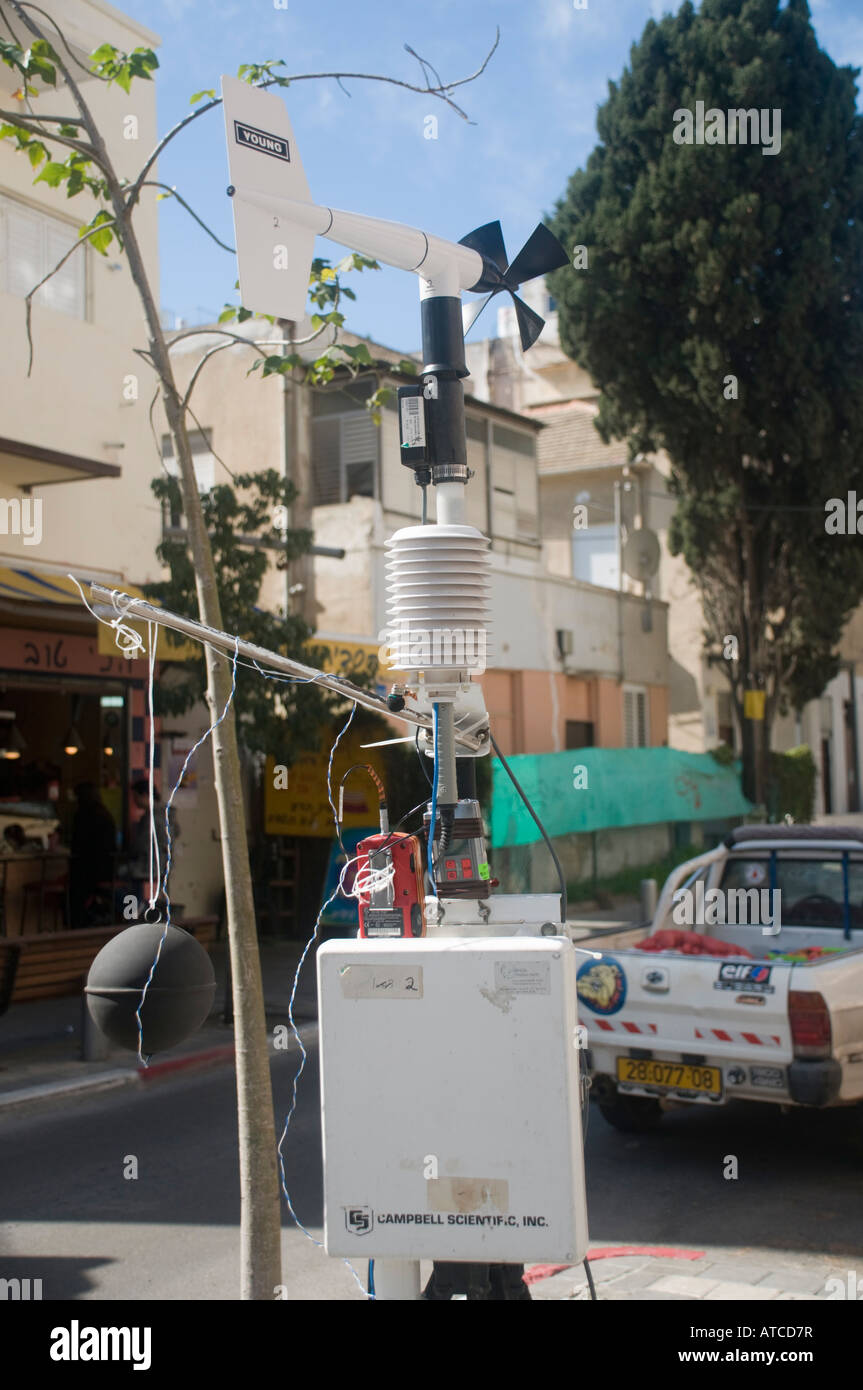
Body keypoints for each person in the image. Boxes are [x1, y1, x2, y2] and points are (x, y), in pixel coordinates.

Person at [125, 779, 178, 911]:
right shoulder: (167, 813)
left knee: (123, 877)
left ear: (144, 795)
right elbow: (177, 832)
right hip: (164, 863)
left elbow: (141, 844)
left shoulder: (152, 816)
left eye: (136, 797)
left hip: (149, 865)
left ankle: (135, 911)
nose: (134, 801)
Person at [69, 783, 117, 928]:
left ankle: (78, 924)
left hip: (88, 870)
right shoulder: (105, 814)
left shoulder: (83, 815)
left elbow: (77, 845)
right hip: (106, 868)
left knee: (75, 893)